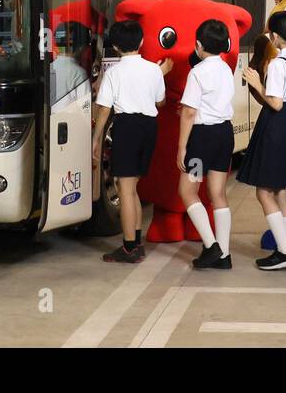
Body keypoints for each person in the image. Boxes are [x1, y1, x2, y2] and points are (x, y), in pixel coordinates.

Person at [93, 20, 171, 264]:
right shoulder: (153, 70)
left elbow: (103, 110)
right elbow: (161, 102)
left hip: (127, 127)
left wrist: (96, 140)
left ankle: (128, 249)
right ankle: (136, 242)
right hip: (149, 127)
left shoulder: (114, 72)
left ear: (115, 46)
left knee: (124, 189)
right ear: (141, 42)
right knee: (132, 186)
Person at [241, 11, 286, 270]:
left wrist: (257, 84)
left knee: (264, 191)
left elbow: (276, 104)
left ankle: (284, 251)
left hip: (276, 124)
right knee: (281, 192)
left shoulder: (279, 64)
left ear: (275, 36)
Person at [177, 19, 237, 269]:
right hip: (224, 133)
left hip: (202, 136)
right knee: (218, 194)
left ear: (199, 45)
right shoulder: (225, 69)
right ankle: (223, 255)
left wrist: (182, 147)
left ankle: (211, 247)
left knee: (187, 191)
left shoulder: (198, 72)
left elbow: (189, 113)